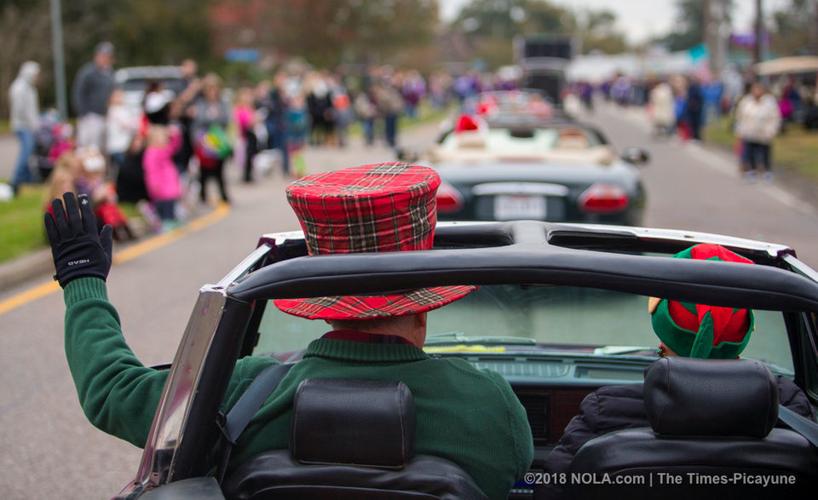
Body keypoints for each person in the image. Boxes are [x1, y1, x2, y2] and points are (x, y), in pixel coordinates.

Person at [45, 164, 534, 500]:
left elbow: (110, 389)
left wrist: (83, 278)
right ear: (424, 308)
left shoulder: (242, 389)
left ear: (326, 307)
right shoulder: (488, 406)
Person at [542, 244, 815, 497]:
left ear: (661, 330)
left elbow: (551, 493)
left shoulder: (606, 410)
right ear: (745, 332)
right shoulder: (788, 408)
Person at [192, 73, 231, 204]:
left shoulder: (222, 103)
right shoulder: (201, 104)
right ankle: (203, 195)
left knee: (220, 169)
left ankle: (224, 195)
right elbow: (199, 121)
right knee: (204, 170)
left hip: (219, 141)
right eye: (210, 89)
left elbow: (226, 120)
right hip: (205, 140)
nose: (213, 92)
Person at [71, 42, 115, 150]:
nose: (105, 59)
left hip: (104, 116)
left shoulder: (109, 73)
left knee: (100, 148)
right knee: (86, 147)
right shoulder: (87, 72)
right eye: (103, 55)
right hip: (89, 116)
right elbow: (78, 93)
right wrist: (82, 112)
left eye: (107, 56)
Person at [735, 82, 782, 182]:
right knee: (750, 153)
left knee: (765, 153)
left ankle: (767, 172)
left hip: (764, 133)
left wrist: (772, 130)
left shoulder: (769, 102)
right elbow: (740, 117)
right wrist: (740, 131)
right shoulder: (746, 101)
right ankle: (752, 171)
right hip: (749, 132)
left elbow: (775, 117)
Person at [8, 61, 40, 196]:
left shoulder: (29, 88)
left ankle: (28, 180)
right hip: (22, 126)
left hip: (28, 126)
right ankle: (14, 181)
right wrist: (32, 123)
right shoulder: (19, 88)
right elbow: (21, 110)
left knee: (28, 153)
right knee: (25, 154)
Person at [106, 88, 139, 177]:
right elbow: (126, 124)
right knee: (121, 168)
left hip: (123, 145)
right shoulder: (114, 110)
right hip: (117, 146)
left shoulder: (123, 110)